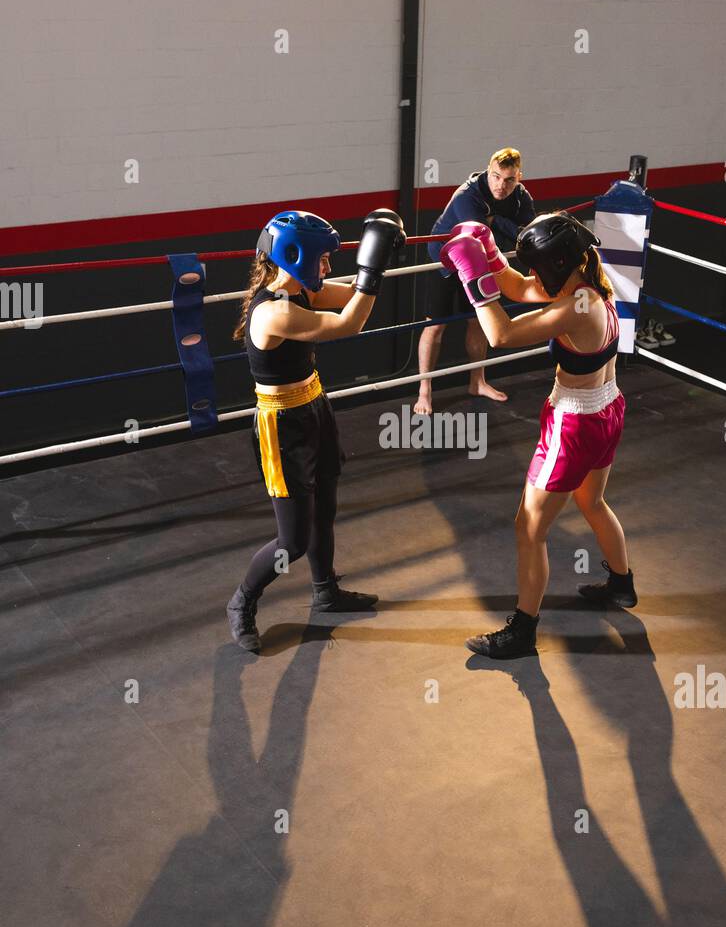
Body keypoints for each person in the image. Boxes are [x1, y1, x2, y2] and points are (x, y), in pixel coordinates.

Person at [439, 214, 636, 660]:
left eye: (536, 268)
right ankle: (622, 585)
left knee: (528, 529)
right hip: (608, 408)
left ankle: (522, 632)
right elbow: (517, 287)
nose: (531, 276)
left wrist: (472, 278)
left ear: (554, 266)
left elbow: (500, 334)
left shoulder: (572, 308)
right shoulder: (588, 286)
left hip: (575, 424)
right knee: (592, 501)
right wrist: (487, 253)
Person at [226, 207, 405, 653]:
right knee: (294, 540)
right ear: (294, 255)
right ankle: (241, 602)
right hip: (282, 425)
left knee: (326, 507)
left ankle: (325, 591)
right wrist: (372, 266)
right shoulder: (273, 314)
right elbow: (351, 322)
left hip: (315, 408)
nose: (327, 267)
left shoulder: (302, 290)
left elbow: (350, 296)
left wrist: (373, 269)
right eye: (322, 259)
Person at [414, 148, 536, 415]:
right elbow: (482, 236)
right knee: (435, 326)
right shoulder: (467, 195)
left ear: (519, 178)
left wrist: (498, 220)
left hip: (481, 262)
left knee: (478, 322)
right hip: (445, 262)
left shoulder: (521, 197)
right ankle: (425, 390)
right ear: (487, 171)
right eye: (495, 177)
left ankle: (477, 382)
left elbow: (527, 235)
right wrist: (503, 227)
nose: (501, 185)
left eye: (509, 180)